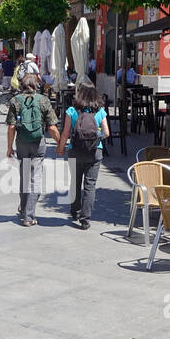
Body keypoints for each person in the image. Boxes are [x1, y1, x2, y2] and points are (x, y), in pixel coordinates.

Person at [6, 73, 60, 227]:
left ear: (22, 85)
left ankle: (24, 208)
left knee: (24, 175)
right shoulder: (43, 100)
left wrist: (9, 147)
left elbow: (11, 127)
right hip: (38, 142)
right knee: (35, 178)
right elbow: (51, 127)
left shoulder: (15, 100)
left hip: (22, 142)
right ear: (36, 84)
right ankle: (29, 216)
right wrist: (61, 143)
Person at [55, 80, 110, 230]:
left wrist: (60, 148)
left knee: (75, 182)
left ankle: (75, 211)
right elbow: (106, 133)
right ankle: (85, 219)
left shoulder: (72, 111)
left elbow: (65, 133)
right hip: (94, 151)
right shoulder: (100, 111)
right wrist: (95, 136)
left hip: (75, 150)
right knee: (90, 185)